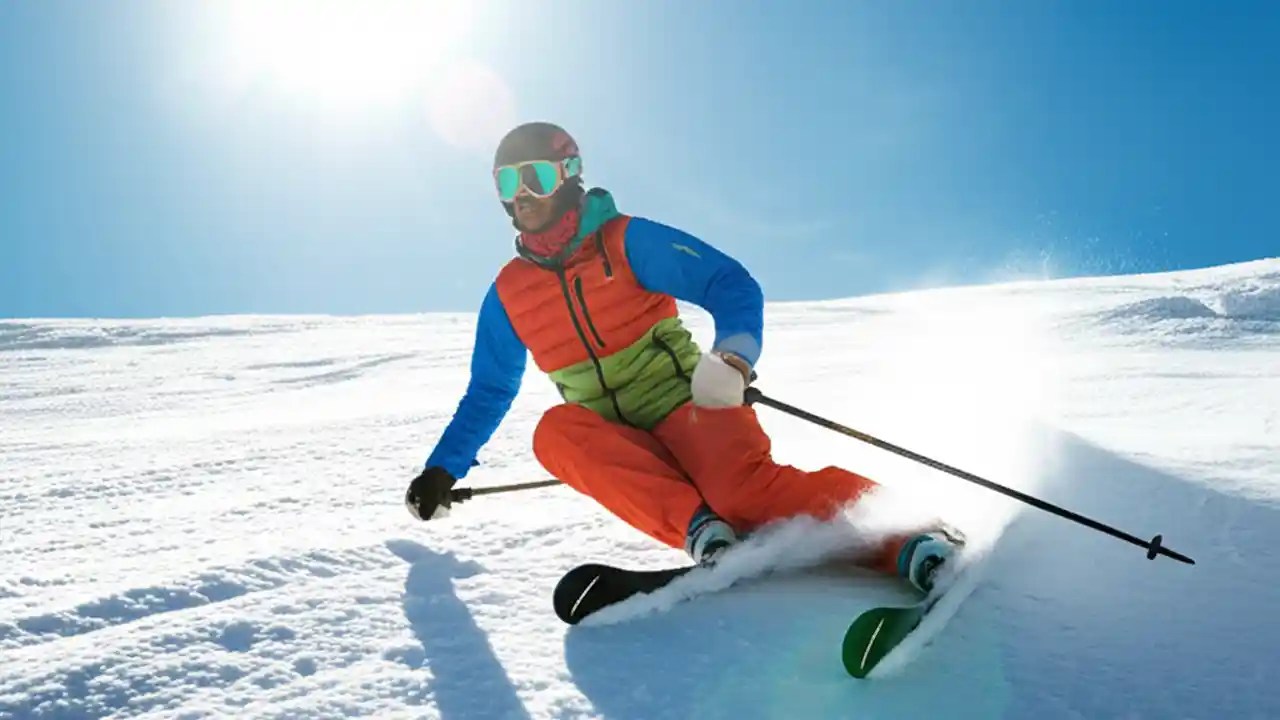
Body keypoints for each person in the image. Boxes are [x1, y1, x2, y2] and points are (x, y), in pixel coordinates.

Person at [404, 121, 959, 592]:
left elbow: (728, 281)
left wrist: (733, 361)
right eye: (507, 181)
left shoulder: (625, 241)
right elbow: (491, 389)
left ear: (570, 178)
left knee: (744, 493)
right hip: (623, 444)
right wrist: (442, 470)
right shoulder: (509, 293)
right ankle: (706, 533)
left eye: (537, 176)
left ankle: (911, 534)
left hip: (691, 405)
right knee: (553, 433)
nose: (521, 192)